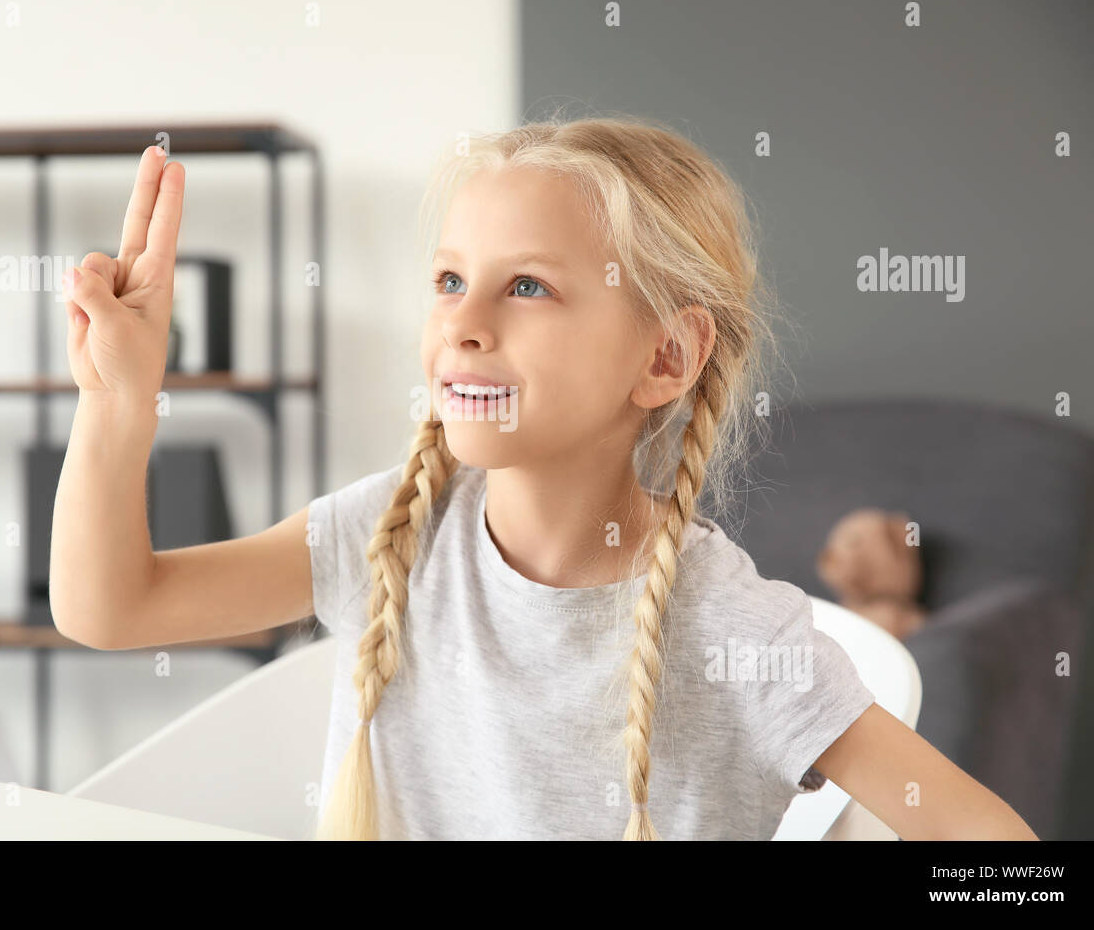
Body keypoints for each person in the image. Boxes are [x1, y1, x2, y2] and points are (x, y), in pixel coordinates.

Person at [50, 116, 1038, 841]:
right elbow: (111, 606)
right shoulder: (391, 531)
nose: (464, 322)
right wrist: (117, 402)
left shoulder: (732, 629)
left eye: (527, 285)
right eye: (449, 279)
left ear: (664, 357)